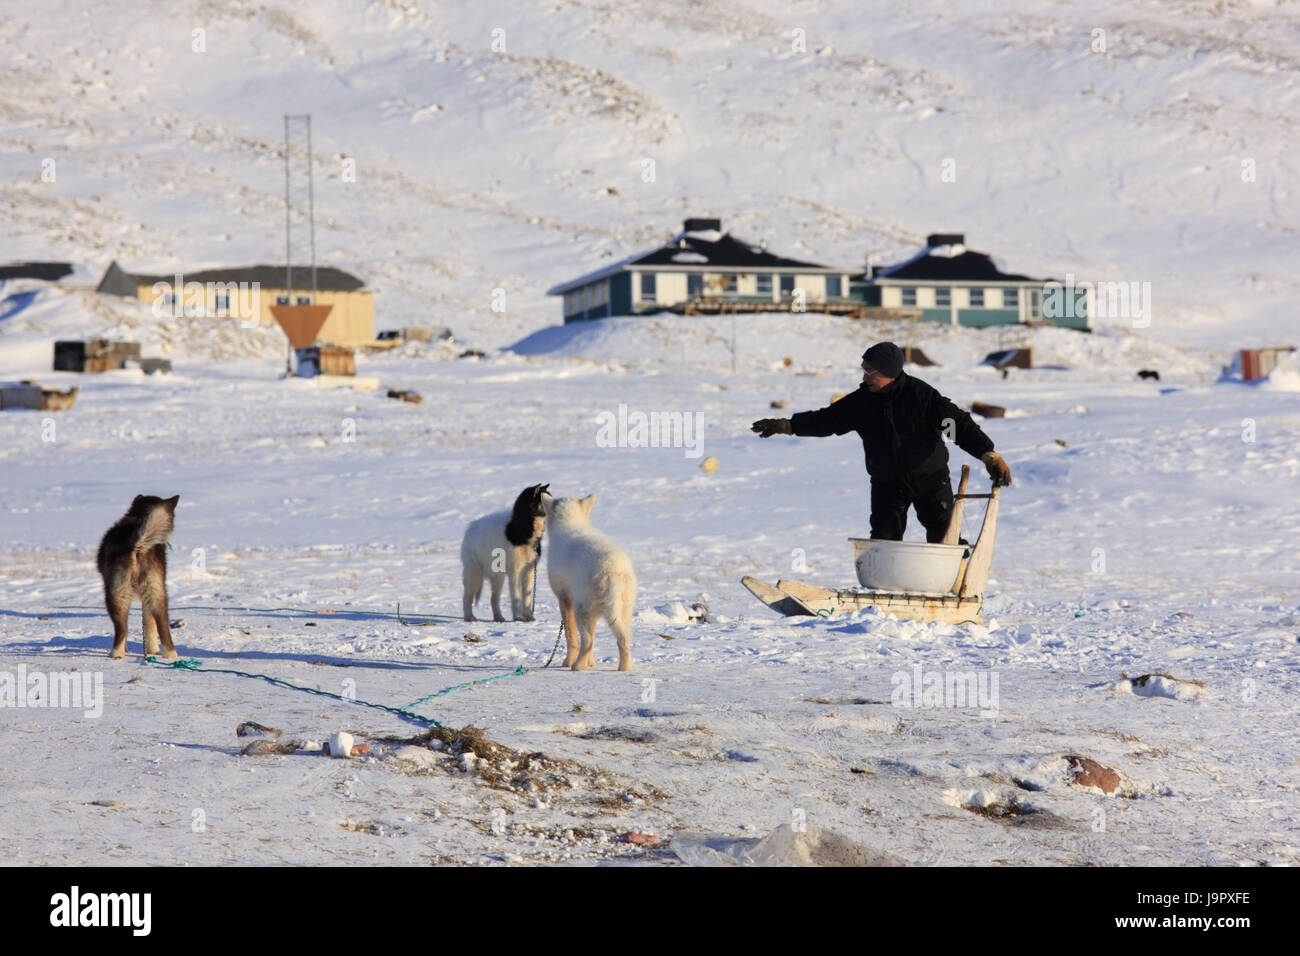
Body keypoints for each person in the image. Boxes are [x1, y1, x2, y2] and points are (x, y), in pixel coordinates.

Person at [751, 342, 1011, 542]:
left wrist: (989, 455)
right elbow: (827, 421)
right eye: (863, 370)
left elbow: (959, 427)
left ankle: (955, 584)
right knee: (884, 541)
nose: (864, 378)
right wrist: (787, 426)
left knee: (945, 536)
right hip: (887, 484)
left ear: (889, 372)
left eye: (870, 372)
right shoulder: (862, 402)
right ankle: (883, 597)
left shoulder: (922, 399)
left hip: (930, 479)